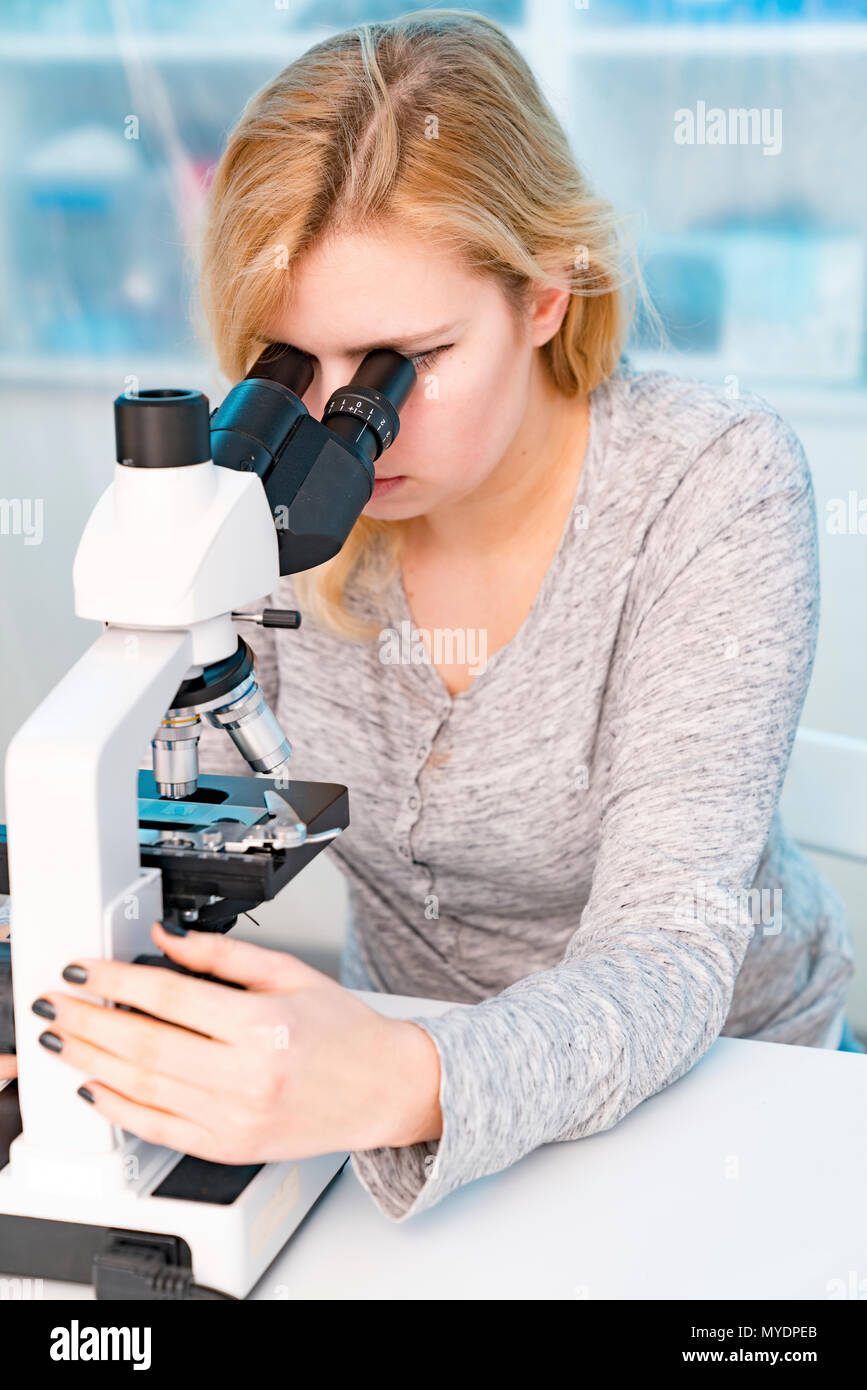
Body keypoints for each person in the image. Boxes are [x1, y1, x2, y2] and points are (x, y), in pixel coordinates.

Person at [1, 12, 858, 1221]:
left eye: (400, 360)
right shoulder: (274, 509)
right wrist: (61, 989)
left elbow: (666, 957)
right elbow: (178, 812)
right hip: (392, 1097)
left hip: (725, 1093)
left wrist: (395, 1078)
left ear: (547, 294)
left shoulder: (712, 482)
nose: (355, 427)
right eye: (293, 363)